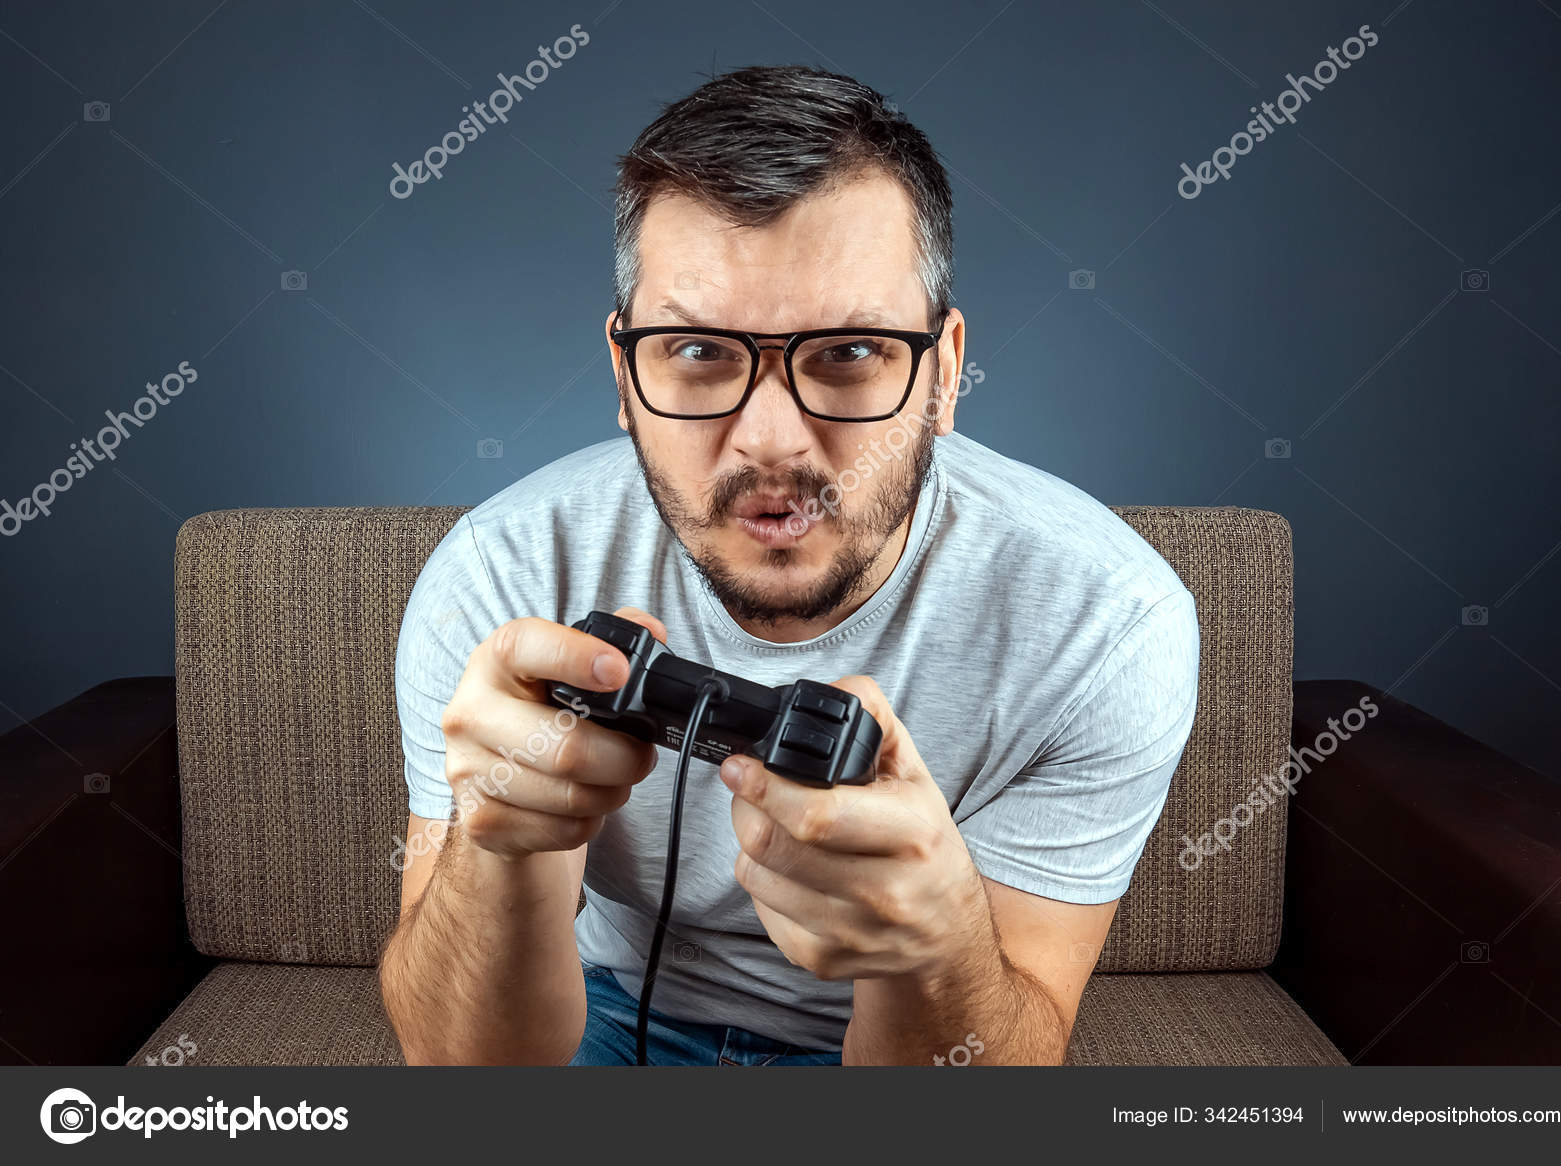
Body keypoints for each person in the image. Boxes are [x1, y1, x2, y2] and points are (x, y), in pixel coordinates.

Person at [378, 64, 1199, 1066]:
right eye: (696, 351)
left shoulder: (1105, 619)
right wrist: (497, 844)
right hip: (599, 1008)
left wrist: (932, 954)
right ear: (624, 377)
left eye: (849, 352)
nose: (771, 442)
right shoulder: (501, 575)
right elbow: (461, 1066)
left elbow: (1004, 1060)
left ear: (942, 375)